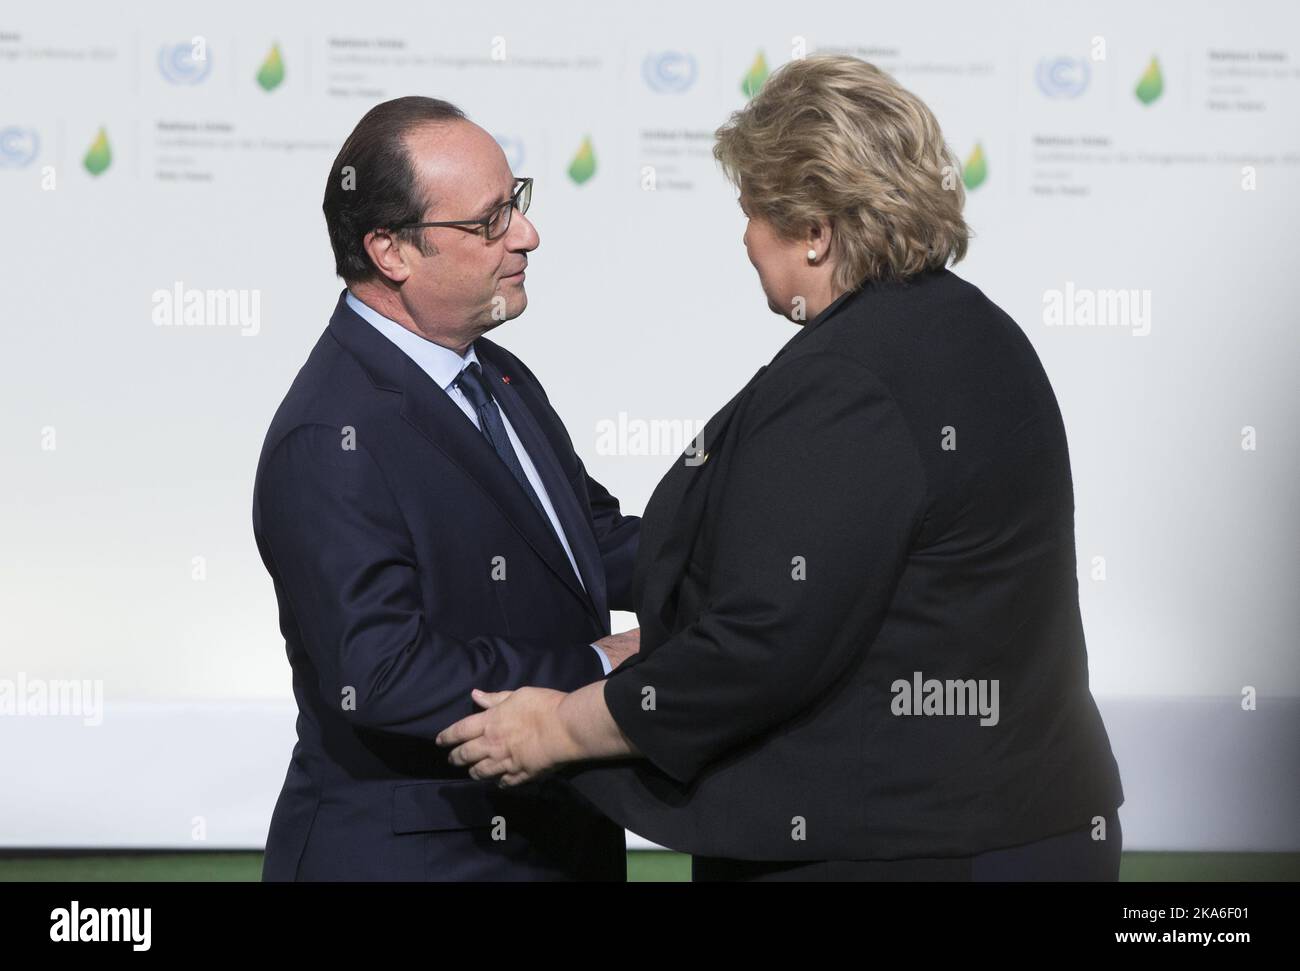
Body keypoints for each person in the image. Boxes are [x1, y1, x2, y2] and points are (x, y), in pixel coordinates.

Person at [437, 56, 1125, 881]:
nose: (744, 235)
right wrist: (676, 627)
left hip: (898, 846)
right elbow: (869, 591)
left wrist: (558, 727)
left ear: (815, 230)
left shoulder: (849, 381)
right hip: (1015, 822)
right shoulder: (975, 331)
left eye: (754, 208)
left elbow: (765, 639)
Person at [252, 96, 640, 881]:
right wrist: (594, 672)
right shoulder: (331, 435)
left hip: (549, 841)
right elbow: (382, 672)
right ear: (391, 251)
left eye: (517, 203)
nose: (527, 235)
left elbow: (590, 541)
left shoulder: (494, 372)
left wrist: (760, 566)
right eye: (489, 221)